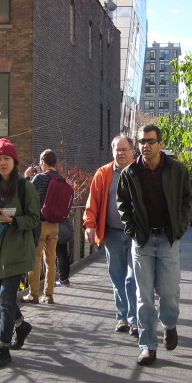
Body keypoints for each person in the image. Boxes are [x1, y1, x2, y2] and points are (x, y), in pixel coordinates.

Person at [117, 125, 192, 366]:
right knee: (144, 296)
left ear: (160, 143)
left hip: (168, 239)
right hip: (143, 241)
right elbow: (123, 205)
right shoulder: (130, 173)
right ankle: (148, 345)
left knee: (169, 292)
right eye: (141, 142)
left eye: (150, 141)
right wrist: (133, 231)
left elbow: (186, 200)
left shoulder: (176, 170)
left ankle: (170, 325)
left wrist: (179, 229)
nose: (145, 146)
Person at [0, 138, 39, 369]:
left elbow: (35, 219)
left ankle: (3, 348)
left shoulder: (26, 187)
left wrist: (10, 219)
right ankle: (21, 326)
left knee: (5, 300)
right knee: (2, 297)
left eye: (7, 158)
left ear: (14, 161)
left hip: (16, 253)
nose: (3, 163)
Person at [83, 134, 138, 336]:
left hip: (136, 235)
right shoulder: (103, 174)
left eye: (124, 149)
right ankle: (122, 316)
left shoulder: (140, 172)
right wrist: (89, 225)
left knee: (133, 278)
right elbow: (93, 203)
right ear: (112, 151)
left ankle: (134, 319)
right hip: (112, 234)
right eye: (117, 150)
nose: (121, 153)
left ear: (133, 151)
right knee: (117, 277)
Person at [23, 149, 64, 304]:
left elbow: (27, 195)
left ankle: (33, 295)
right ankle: (49, 294)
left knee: (35, 258)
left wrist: (28, 177)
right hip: (55, 224)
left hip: (40, 224)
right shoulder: (61, 179)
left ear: (43, 162)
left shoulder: (39, 178)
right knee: (51, 260)